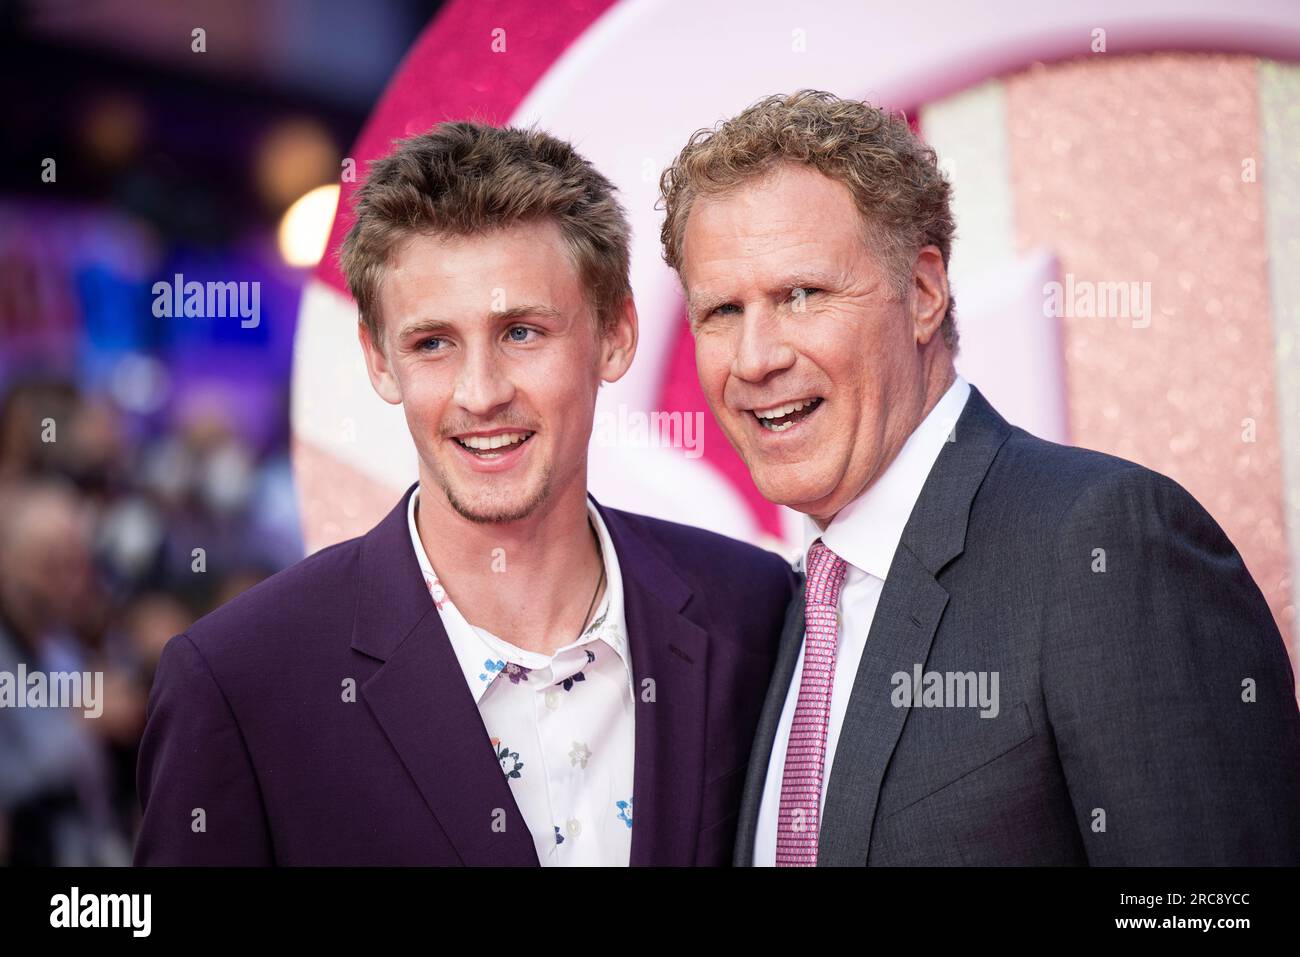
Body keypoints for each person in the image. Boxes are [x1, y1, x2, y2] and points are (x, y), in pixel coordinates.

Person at [657, 89, 1300, 865]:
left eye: (802, 295)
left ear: (924, 293)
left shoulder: (1103, 541)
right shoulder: (788, 608)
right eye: (722, 310)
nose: (756, 357)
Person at [135, 121, 795, 866]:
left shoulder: (754, 612)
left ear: (614, 333)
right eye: (433, 343)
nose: (480, 394)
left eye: (521, 332)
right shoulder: (240, 680)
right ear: (379, 360)